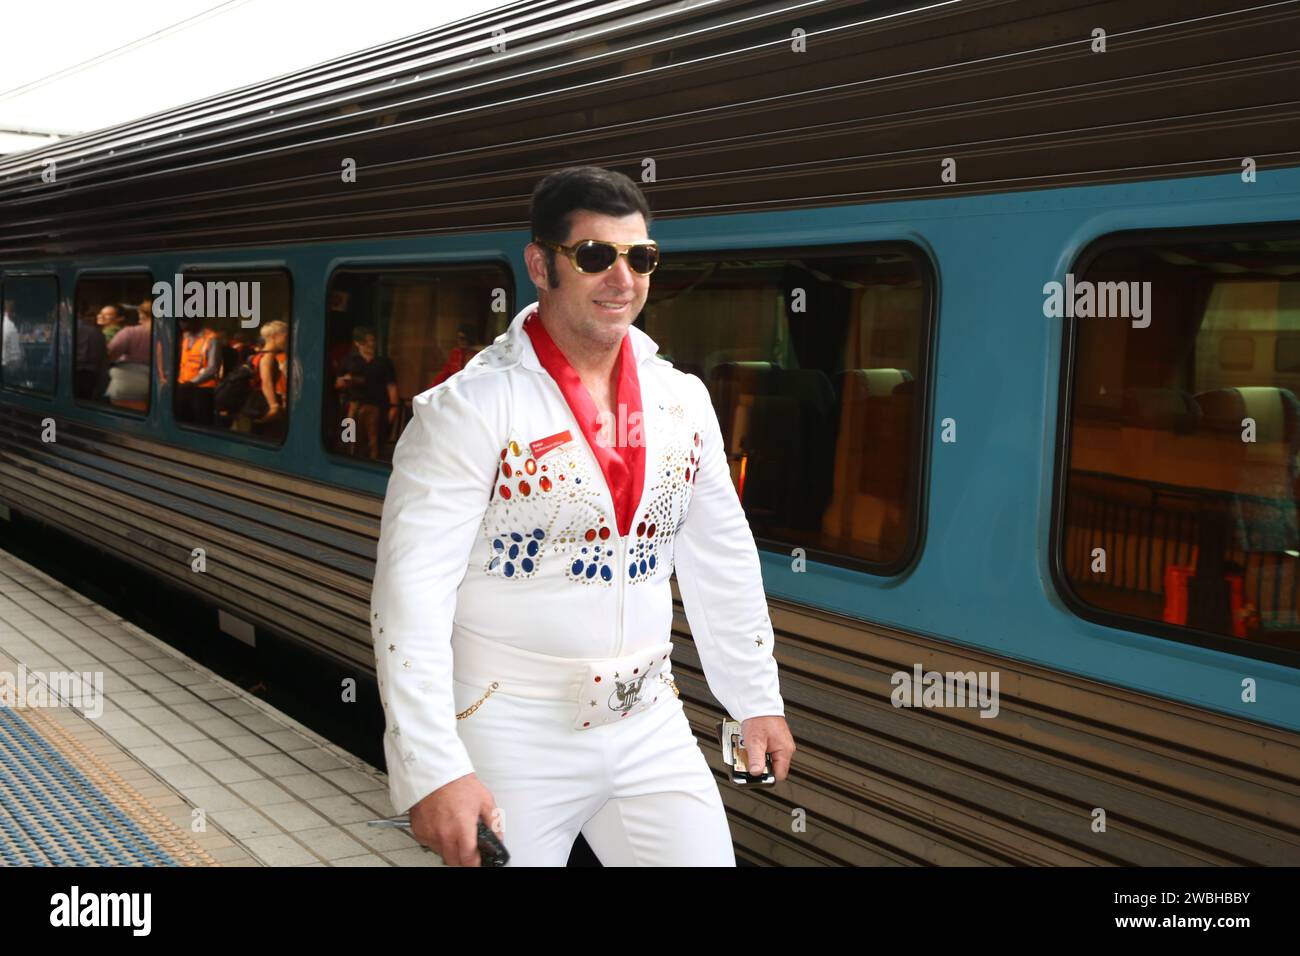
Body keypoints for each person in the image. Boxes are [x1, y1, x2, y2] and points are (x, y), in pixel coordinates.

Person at [371, 166, 795, 867]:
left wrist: (754, 697)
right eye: (595, 256)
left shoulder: (681, 401)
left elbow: (720, 556)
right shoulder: (467, 409)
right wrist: (432, 766)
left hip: (648, 715)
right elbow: (409, 598)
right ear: (541, 265)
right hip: (509, 724)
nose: (621, 277)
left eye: (641, 258)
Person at [336, 325, 399, 459]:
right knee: (349, 439)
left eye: (372, 340)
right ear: (358, 343)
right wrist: (348, 380)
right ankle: (349, 457)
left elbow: (391, 386)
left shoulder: (383, 363)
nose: (371, 344)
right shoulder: (348, 361)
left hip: (375, 407)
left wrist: (394, 407)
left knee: (373, 443)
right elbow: (338, 383)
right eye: (367, 341)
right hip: (352, 406)